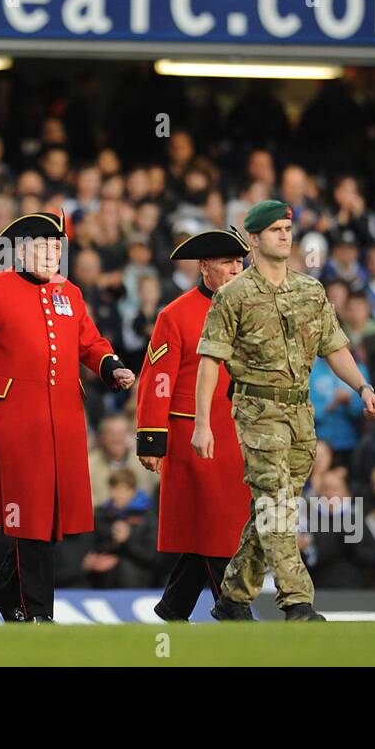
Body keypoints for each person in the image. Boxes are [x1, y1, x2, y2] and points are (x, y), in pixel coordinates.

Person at [0, 211, 136, 622]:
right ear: (21, 249)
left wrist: (110, 365)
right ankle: (38, 612)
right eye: (43, 246)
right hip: (13, 421)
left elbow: (90, 341)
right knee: (26, 517)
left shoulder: (70, 293)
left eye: (56, 247)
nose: (52, 255)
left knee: (48, 521)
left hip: (63, 422)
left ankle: (3, 589)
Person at [194, 200, 375, 622]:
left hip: (302, 414)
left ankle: (233, 597)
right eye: (274, 229)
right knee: (278, 505)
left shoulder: (310, 291)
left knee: (275, 505)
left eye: (287, 228)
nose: (284, 235)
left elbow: (336, 347)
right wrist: (203, 423)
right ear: (254, 240)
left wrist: (362, 386)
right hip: (258, 411)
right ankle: (297, 600)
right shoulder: (233, 295)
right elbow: (210, 361)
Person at [135, 228, 253, 622]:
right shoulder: (176, 314)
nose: (236, 269)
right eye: (227, 262)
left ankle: (173, 608)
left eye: (240, 261)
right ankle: (234, 610)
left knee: (214, 527)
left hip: (238, 435)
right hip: (194, 436)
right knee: (218, 526)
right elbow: (157, 379)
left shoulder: (252, 307)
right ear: (205, 267)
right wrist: (152, 439)